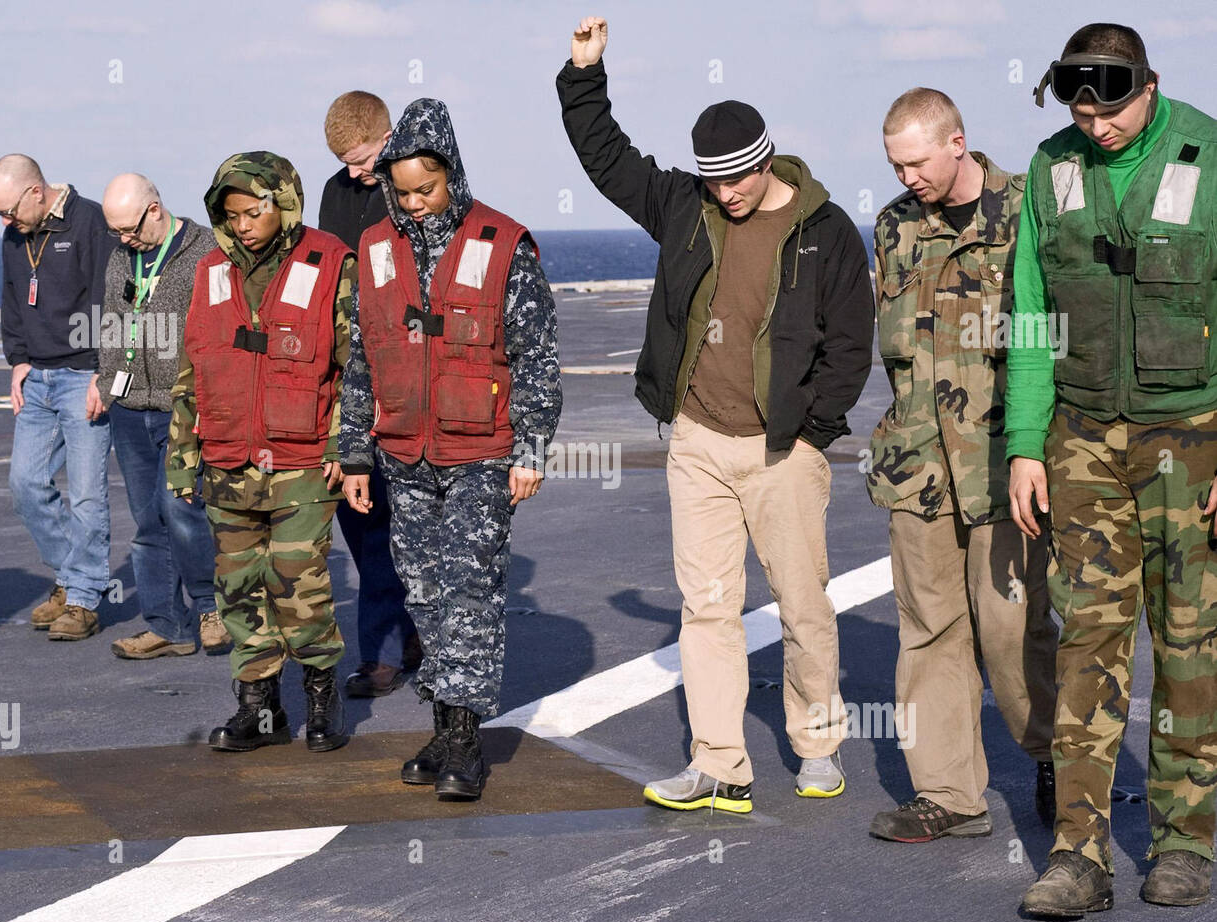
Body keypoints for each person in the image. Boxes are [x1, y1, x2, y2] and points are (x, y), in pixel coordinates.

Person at [558, 16, 873, 812]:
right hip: (696, 441)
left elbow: (851, 345)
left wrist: (812, 434)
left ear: (768, 162)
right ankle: (719, 762)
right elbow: (607, 160)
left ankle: (816, 746)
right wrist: (584, 74)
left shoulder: (826, 232)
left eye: (738, 179)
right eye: (714, 181)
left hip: (783, 453)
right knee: (707, 608)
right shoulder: (684, 206)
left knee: (803, 607)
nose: (726, 194)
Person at [1009, 23, 1217, 915]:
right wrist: (1024, 441)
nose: (1097, 126)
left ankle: (1184, 844)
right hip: (1083, 436)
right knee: (1089, 639)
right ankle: (1079, 855)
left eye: (1114, 106)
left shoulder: (1207, 156)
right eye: (1081, 108)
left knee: (1188, 643)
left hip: (1192, 435)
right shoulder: (1050, 168)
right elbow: (1027, 310)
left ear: (1151, 84)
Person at [340, 97, 562, 801]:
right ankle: (443, 721)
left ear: (453, 176)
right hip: (403, 452)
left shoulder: (503, 244)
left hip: (482, 450)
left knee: (469, 590)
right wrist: (352, 453)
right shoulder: (375, 248)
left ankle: (466, 740)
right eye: (401, 192)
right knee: (426, 592)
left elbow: (536, 358)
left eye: (426, 190)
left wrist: (530, 447)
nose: (415, 204)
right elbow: (359, 358)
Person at [866, 89, 1059, 842]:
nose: (906, 176)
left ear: (958, 143)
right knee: (928, 631)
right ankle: (948, 793)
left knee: (1012, 631)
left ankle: (1051, 754)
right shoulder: (891, 227)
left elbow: (1052, 338)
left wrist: (1039, 448)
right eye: (895, 164)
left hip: (1003, 463)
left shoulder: (1025, 214)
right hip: (917, 468)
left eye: (916, 161)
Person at [166, 152, 351, 754]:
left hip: (301, 457)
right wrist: (182, 452)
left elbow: (357, 366)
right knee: (240, 586)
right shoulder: (211, 271)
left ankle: (322, 696)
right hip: (224, 453)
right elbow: (194, 364)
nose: (242, 224)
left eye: (254, 211)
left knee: (298, 580)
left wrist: (342, 446)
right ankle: (259, 707)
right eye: (232, 214)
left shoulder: (330, 262)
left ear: (284, 204)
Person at [96, 173, 230, 660]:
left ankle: (210, 609)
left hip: (184, 406)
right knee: (147, 521)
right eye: (115, 232)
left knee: (183, 510)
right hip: (130, 409)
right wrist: (108, 386)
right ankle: (166, 627)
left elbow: (222, 326)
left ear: (155, 209)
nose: (124, 240)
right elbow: (111, 322)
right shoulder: (119, 256)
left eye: (129, 230)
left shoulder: (206, 250)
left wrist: (207, 399)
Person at [319, 90, 422, 697]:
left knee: (399, 524)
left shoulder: (413, 186)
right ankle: (397, 633)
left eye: (361, 158)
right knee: (361, 522)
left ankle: (386, 649)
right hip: (349, 372)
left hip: (404, 373)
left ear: (387, 135)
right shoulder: (339, 191)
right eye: (345, 161)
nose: (354, 172)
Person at [0, 154, 116, 641]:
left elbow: (109, 297)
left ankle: (82, 599)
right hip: (36, 378)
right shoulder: (14, 233)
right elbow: (12, 296)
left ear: (36, 192)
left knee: (86, 494)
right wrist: (17, 358)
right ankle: (71, 575)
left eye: (9, 209)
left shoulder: (90, 222)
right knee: (25, 486)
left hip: (82, 374)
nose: (5, 220)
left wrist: (104, 372)